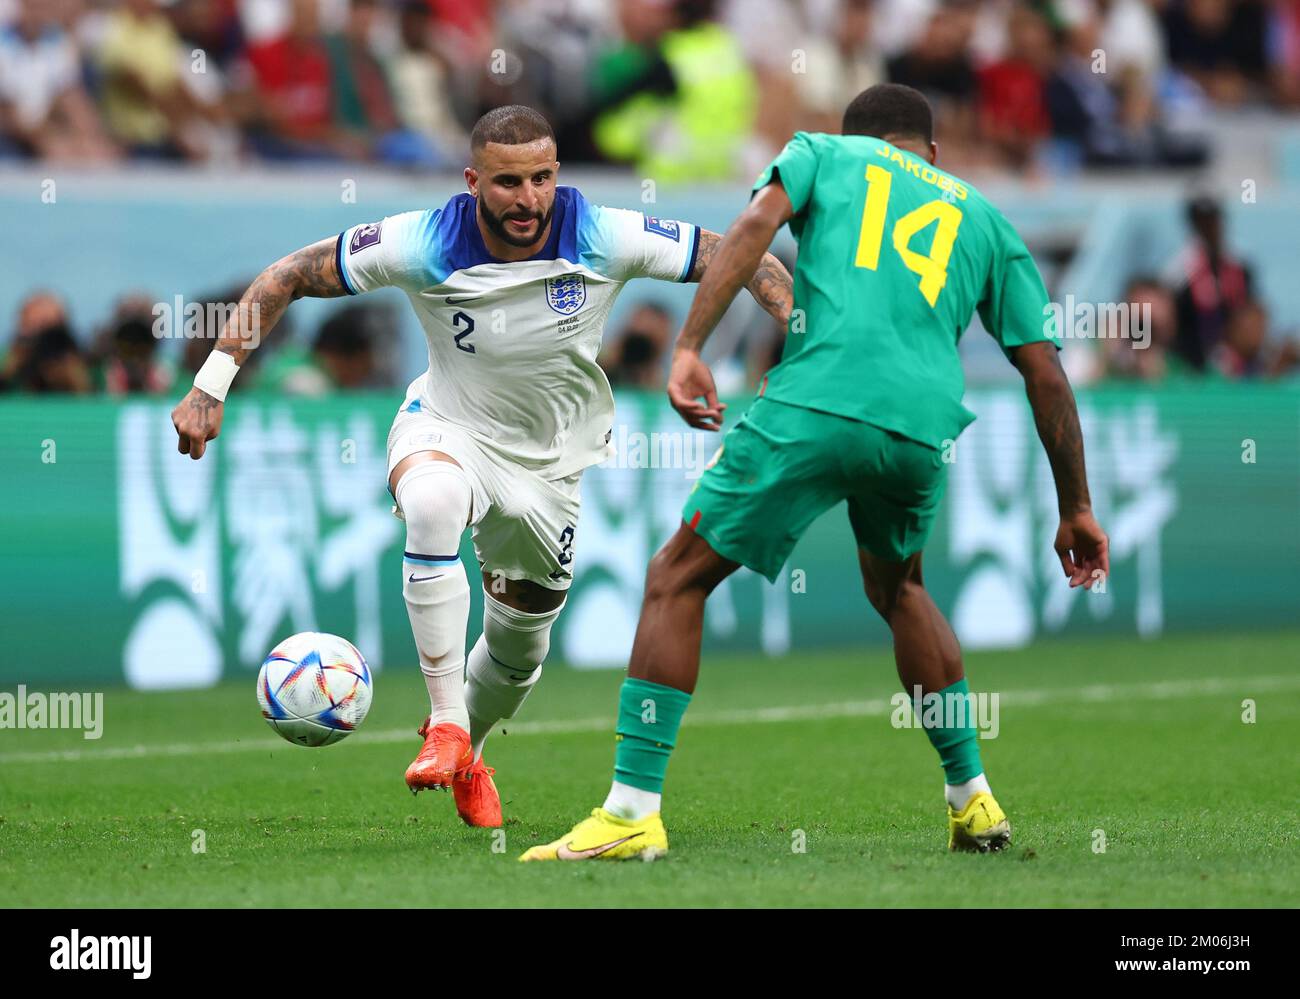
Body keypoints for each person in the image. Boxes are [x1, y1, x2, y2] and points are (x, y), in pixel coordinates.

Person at [522, 83, 1109, 862]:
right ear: (929, 152)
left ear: (856, 134)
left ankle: (631, 808)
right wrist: (1076, 506)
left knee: (676, 577)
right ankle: (972, 800)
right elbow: (1045, 373)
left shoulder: (820, 153)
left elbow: (756, 225)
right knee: (902, 588)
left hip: (818, 400)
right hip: (921, 427)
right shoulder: (986, 219)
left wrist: (692, 343)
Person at [169, 104, 793, 829]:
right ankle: (444, 725)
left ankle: (471, 750)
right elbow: (289, 275)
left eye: (541, 179)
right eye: (506, 183)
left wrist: (805, 353)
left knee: (518, 647)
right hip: (446, 427)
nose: (527, 199)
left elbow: (748, 257)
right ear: (473, 181)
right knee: (432, 501)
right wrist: (209, 387)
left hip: (551, 467)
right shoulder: (425, 240)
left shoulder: (602, 233)